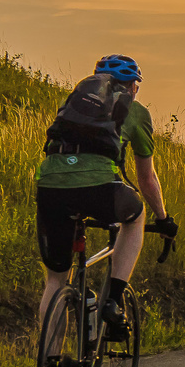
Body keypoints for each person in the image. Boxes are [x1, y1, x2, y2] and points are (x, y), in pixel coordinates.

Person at [34, 54, 175, 349]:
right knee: (134, 216)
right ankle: (112, 301)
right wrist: (162, 218)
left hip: (50, 185)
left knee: (56, 280)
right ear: (133, 86)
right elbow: (146, 178)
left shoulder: (71, 104)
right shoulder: (136, 112)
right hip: (99, 185)